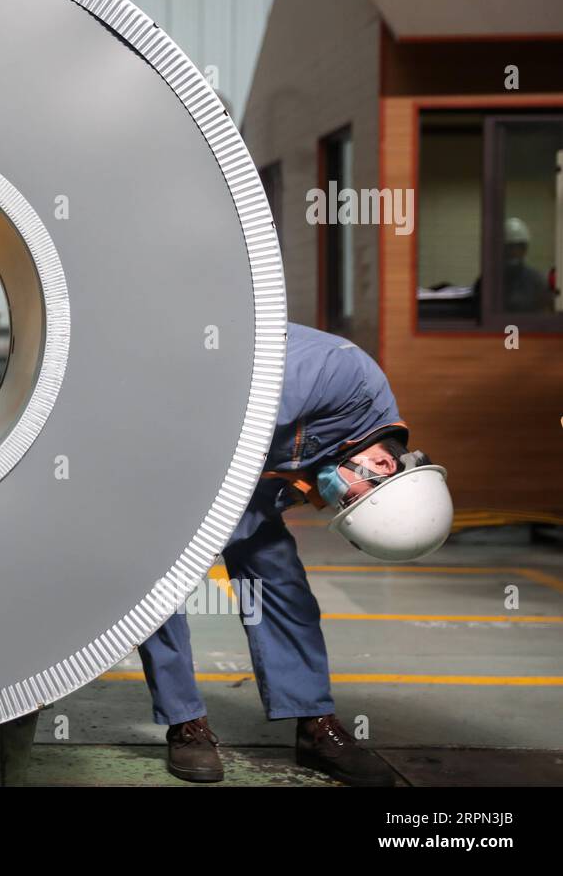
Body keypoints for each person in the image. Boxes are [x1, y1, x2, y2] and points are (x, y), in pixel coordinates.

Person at [138, 323, 452, 787]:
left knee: (282, 587)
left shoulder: (355, 450)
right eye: (354, 498)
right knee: (159, 582)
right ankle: (186, 725)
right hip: (174, 429)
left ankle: (315, 727)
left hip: (244, 480)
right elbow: (217, 413)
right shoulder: (341, 378)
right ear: (385, 464)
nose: (340, 500)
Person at [502, 216, 554, 313]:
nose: (513, 251)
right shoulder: (490, 281)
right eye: (509, 246)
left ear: (525, 249)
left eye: (518, 246)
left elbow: (546, 313)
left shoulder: (536, 280)